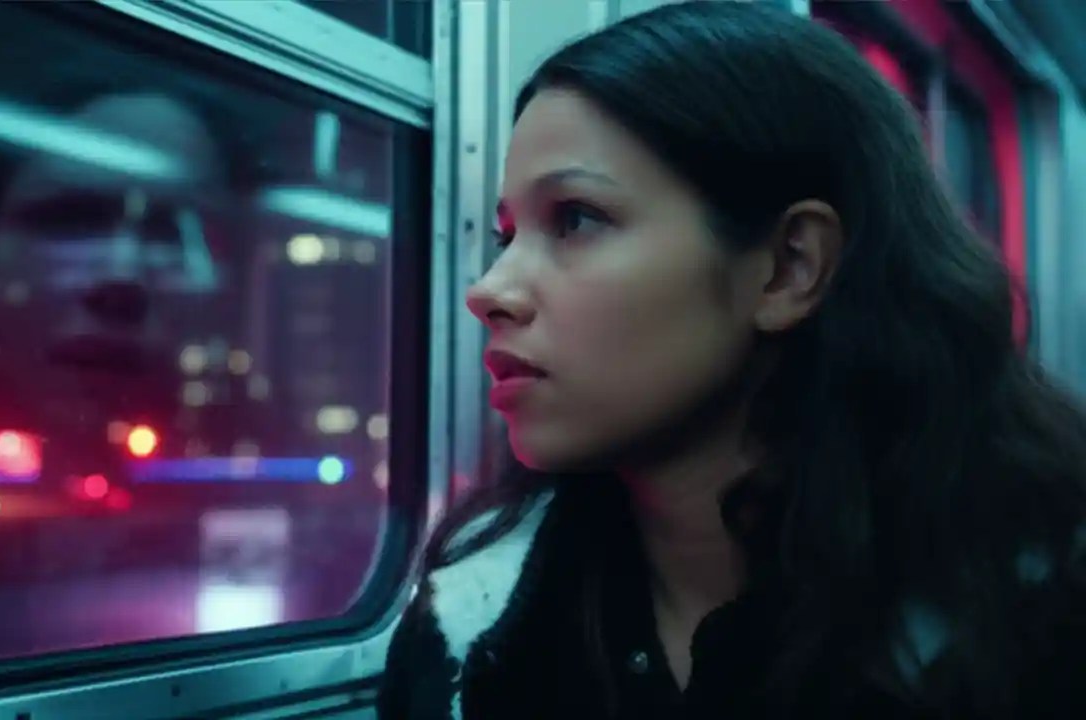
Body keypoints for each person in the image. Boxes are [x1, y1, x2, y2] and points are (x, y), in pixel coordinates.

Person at [377, 3, 1086, 719]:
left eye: (576, 218)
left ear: (788, 267)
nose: (488, 291)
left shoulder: (1038, 614)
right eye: (508, 236)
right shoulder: (468, 628)